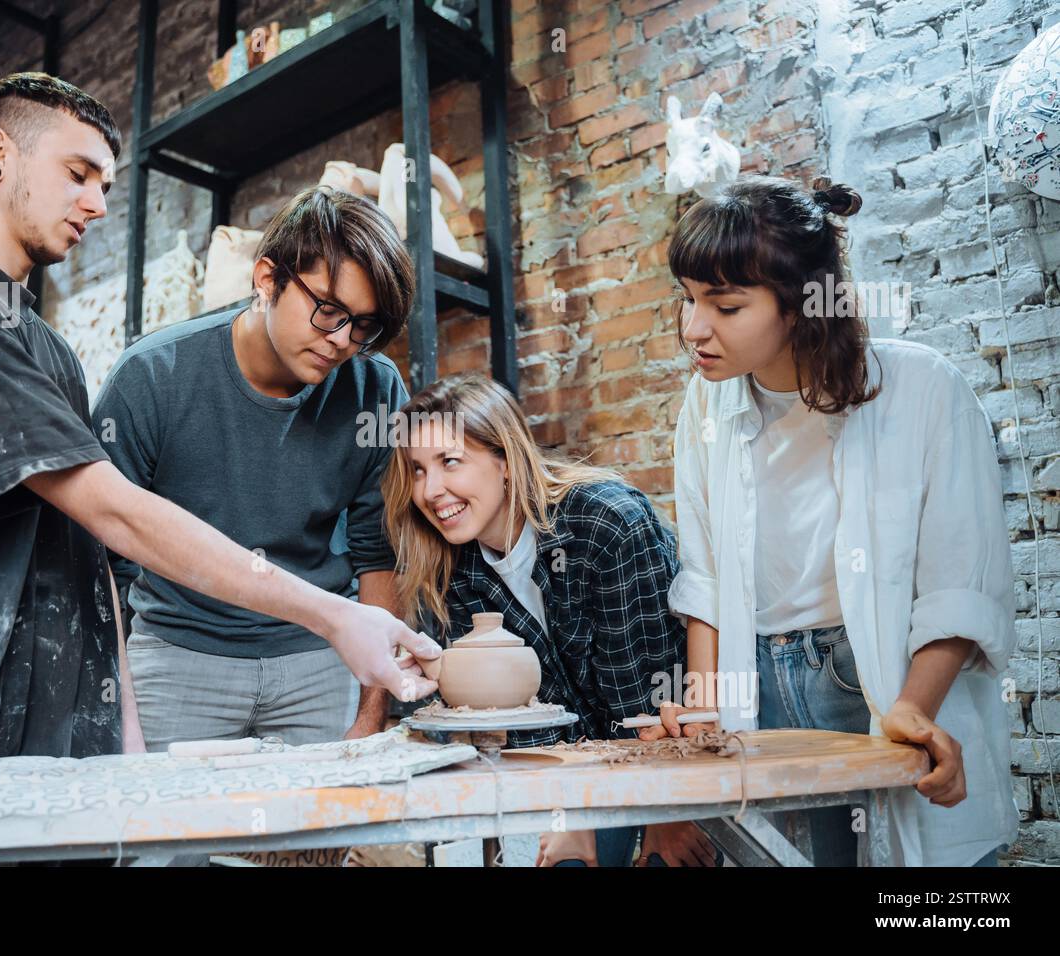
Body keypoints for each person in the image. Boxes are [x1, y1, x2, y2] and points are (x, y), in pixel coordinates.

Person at [0, 72, 436, 866]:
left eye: (107, 184)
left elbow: (86, 562)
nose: (100, 204)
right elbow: (114, 513)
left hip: (35, 742)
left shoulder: (45, 350)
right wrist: (338, 616)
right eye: (79, 173)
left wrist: (128, 736)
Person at [655, 174, 1017, 866]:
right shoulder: (704, 410)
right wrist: (702, 709)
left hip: (873, 676)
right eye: (688, 299)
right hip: (754, 681)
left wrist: (912, 706)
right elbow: (702, 582)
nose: (693, 328)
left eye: (726, 306)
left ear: (800, 306)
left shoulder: (923, 390)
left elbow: (959, 584)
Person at [93, 186, 412, 749]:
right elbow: (100, 570)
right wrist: (124, 721)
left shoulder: (375, 388)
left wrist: (371, 715)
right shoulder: (151, 377)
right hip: (176, 659)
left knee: (316, 839)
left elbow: (378, 552)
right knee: (162, 834)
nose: (342, 341)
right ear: (267, 279)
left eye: (362, 325)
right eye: (328, 311)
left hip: (319, 661)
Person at [381, 373, 715, 867]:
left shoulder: (604, 524)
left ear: (505, 461)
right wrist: (567, 811)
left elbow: (647, 693)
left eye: (450, 462)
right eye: (417, 470)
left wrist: (666, 813)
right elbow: (518, 715)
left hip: (677, 755)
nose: (430, 491)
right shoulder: (455, 567)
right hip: (570, 769)